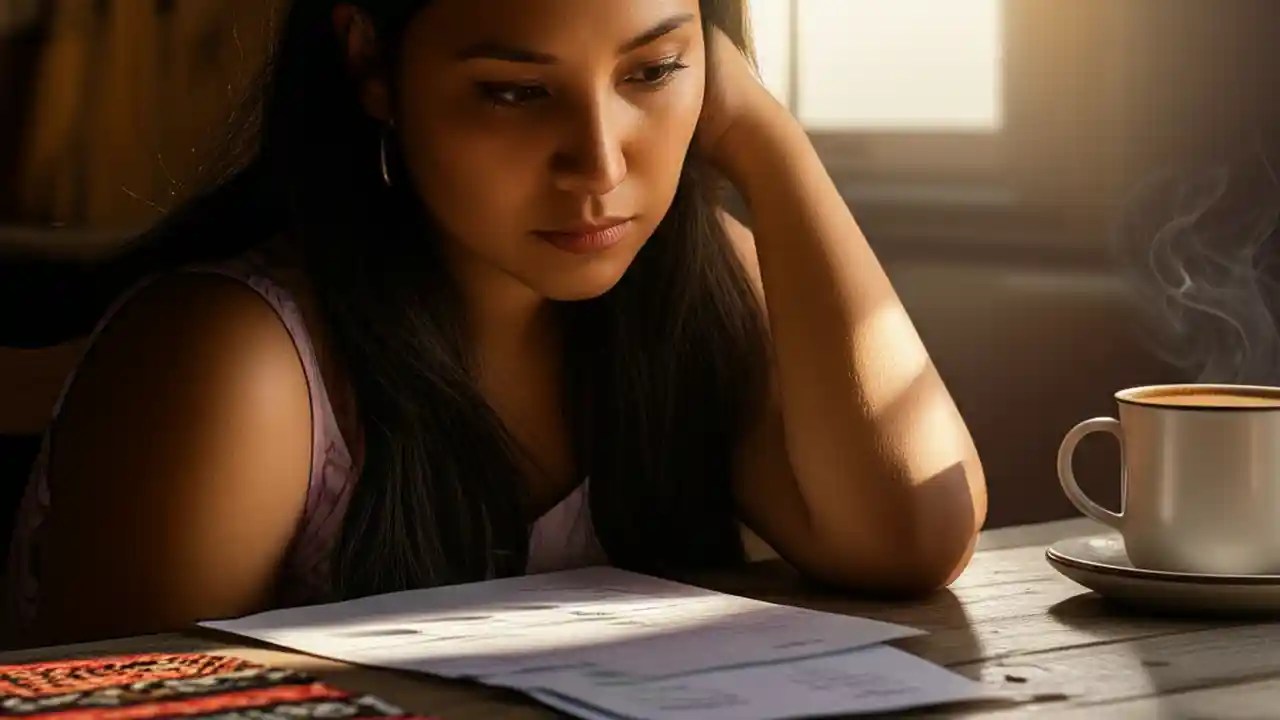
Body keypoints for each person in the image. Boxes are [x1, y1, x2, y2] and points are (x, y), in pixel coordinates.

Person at [5, 0, 987, 648]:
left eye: (650, 74)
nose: (600, 165)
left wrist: (766, 143)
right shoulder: (240, 363)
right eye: (516, 92)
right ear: (372, 64)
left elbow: (907, 535)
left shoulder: (690, 284)